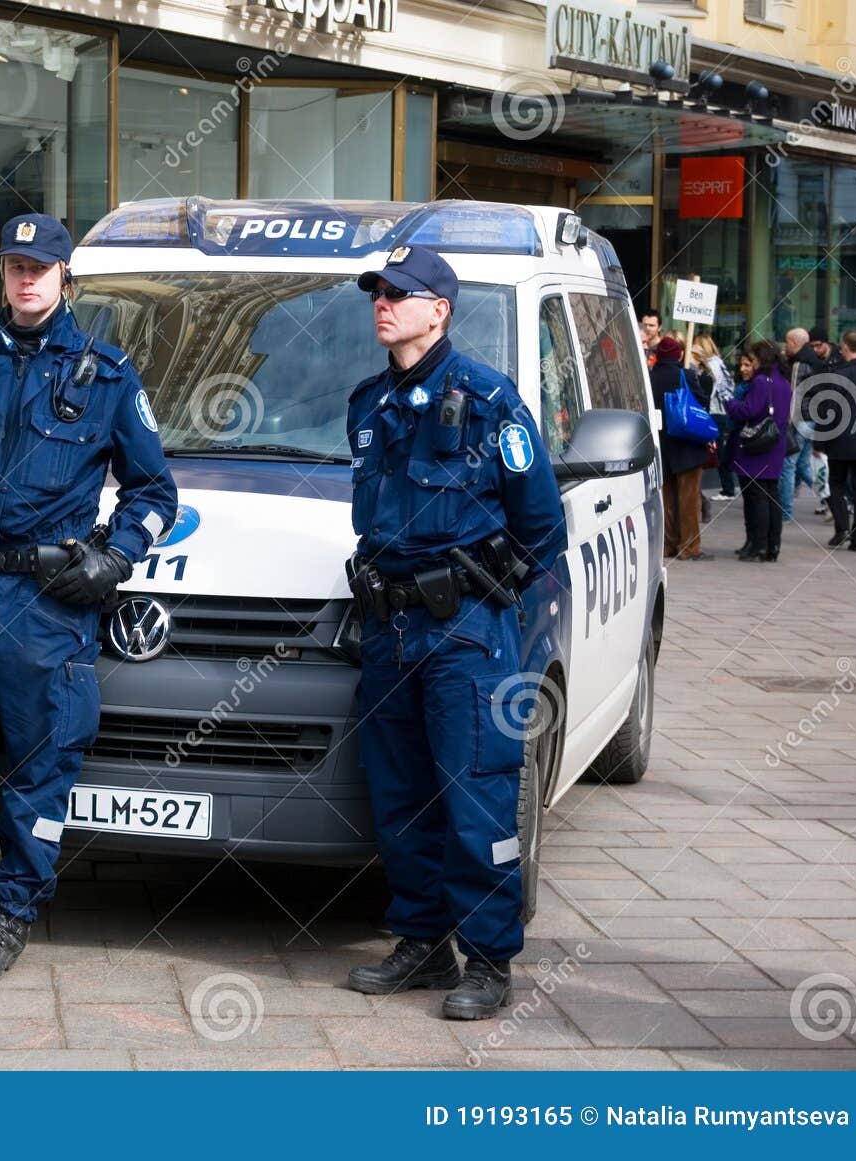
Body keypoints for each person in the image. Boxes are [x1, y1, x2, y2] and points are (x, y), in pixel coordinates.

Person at [0, 213, 177, 986]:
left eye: (39, 267)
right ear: (3, 275)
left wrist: (114, 559)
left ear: (63, 277)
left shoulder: (106, 372)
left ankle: (11, 913)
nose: (25, 279)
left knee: (40, 765)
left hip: (45, 607)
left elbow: (154, 492)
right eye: (14, 266)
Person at [342, 245, 567, 1021]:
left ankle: (491, 958)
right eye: (378, 292)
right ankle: (424, 941)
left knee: (475, 796)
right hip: (387, 631)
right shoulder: (368, 403)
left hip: (464, 635)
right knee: (401, 797)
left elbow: (541, 528)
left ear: (439, 308)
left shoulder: (490, 399)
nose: (384, 304)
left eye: (400, 294)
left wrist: (474, 591)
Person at [726, 339, 792, 562]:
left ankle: (759, 545)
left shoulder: (762, 381)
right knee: (771, 494)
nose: (749, 365)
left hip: (757, 445)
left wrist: (730, 403)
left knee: (757, 497)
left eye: (752, 360)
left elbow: (748, 410)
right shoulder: (782, 380)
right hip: (775, 444)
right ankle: (772, 545)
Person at [815, 330, 856, 552]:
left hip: (841, 442)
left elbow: (827, 410)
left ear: (845, 347)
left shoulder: (837, 374)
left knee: (836, 483)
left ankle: (842, 528)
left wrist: (819, 442)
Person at [652, 335, 712, 560]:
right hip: (687, 444)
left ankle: (668, 545)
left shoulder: (649, 377)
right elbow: (703, 400)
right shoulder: (685, 375)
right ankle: (689, 547)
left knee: (666, 499)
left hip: (662, 445)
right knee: (688, 500)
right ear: (678, 355)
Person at [780, 326, 826, 519]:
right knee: (803, 465)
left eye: (787, 342)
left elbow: (793, 394)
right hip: (812, 418)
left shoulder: (799, 363)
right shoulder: (815, 359)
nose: (785, 346)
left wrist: (787, 421)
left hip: (800, 418)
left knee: (788, 464)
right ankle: (830, 498)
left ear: (794, 343)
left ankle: (785, 512)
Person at [693, 334, 738, 500]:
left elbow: (709, 391)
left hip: (713, 411)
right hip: (722, 411)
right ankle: (728, 488)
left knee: (716, 452)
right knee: (719, 451)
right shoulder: (719, 362)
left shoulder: (709, 366)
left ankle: (728, 489)